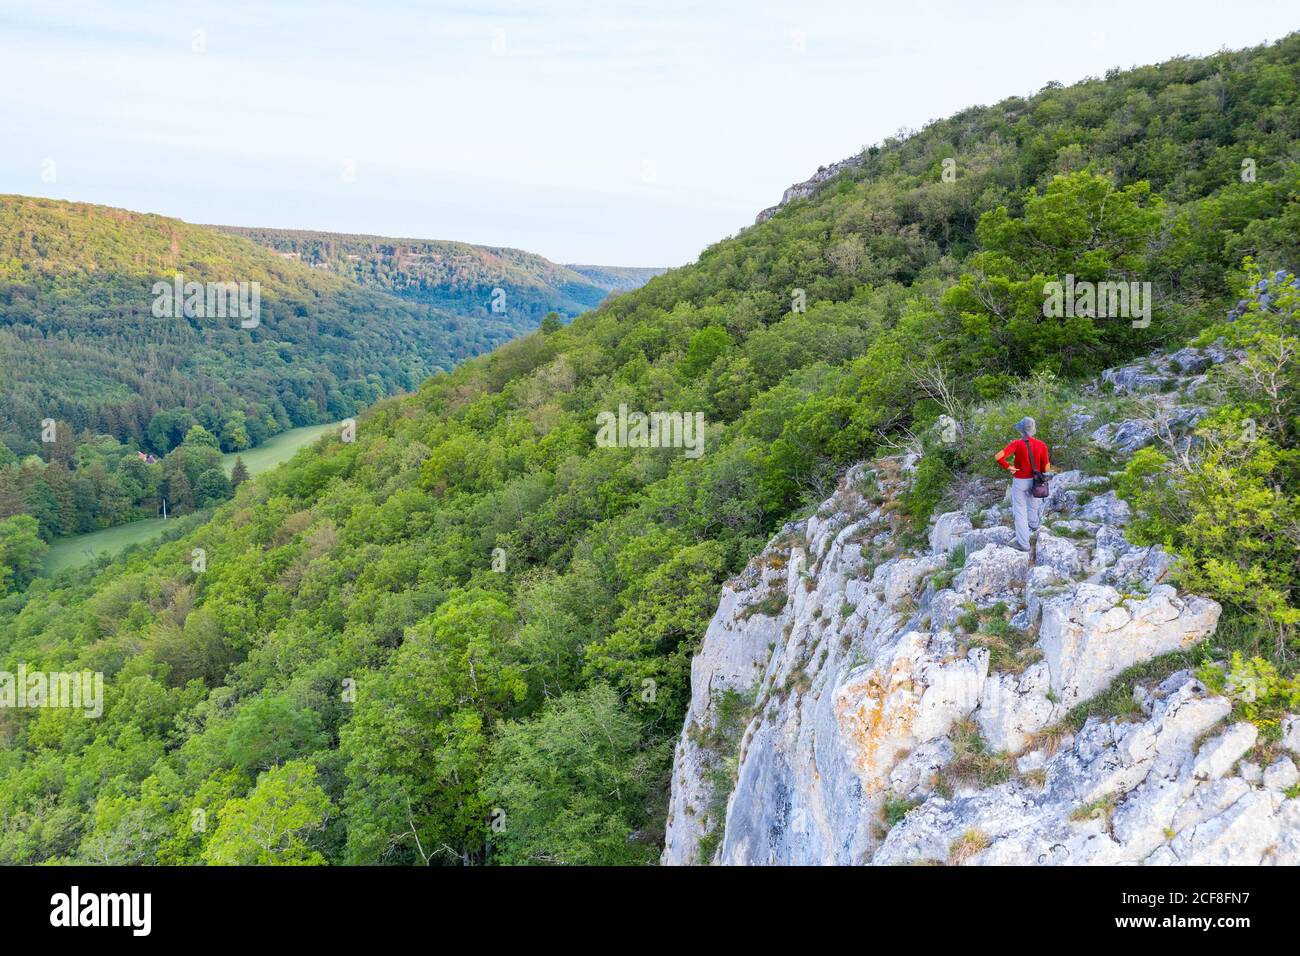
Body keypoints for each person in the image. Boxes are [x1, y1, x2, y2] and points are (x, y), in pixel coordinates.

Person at [995, 416, 1051, 553]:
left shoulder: (1016, 444)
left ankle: (1024, 544)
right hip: (1034, 480)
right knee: (1033, 503)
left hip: (1020, 481)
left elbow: (998, 456)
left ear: (1021, 430)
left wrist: (1008, 467)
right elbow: (1047, 466)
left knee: (1020, 511)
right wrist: (1041, 474)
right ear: (1033, 429)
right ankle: (1034, 526)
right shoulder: (1041, 445)